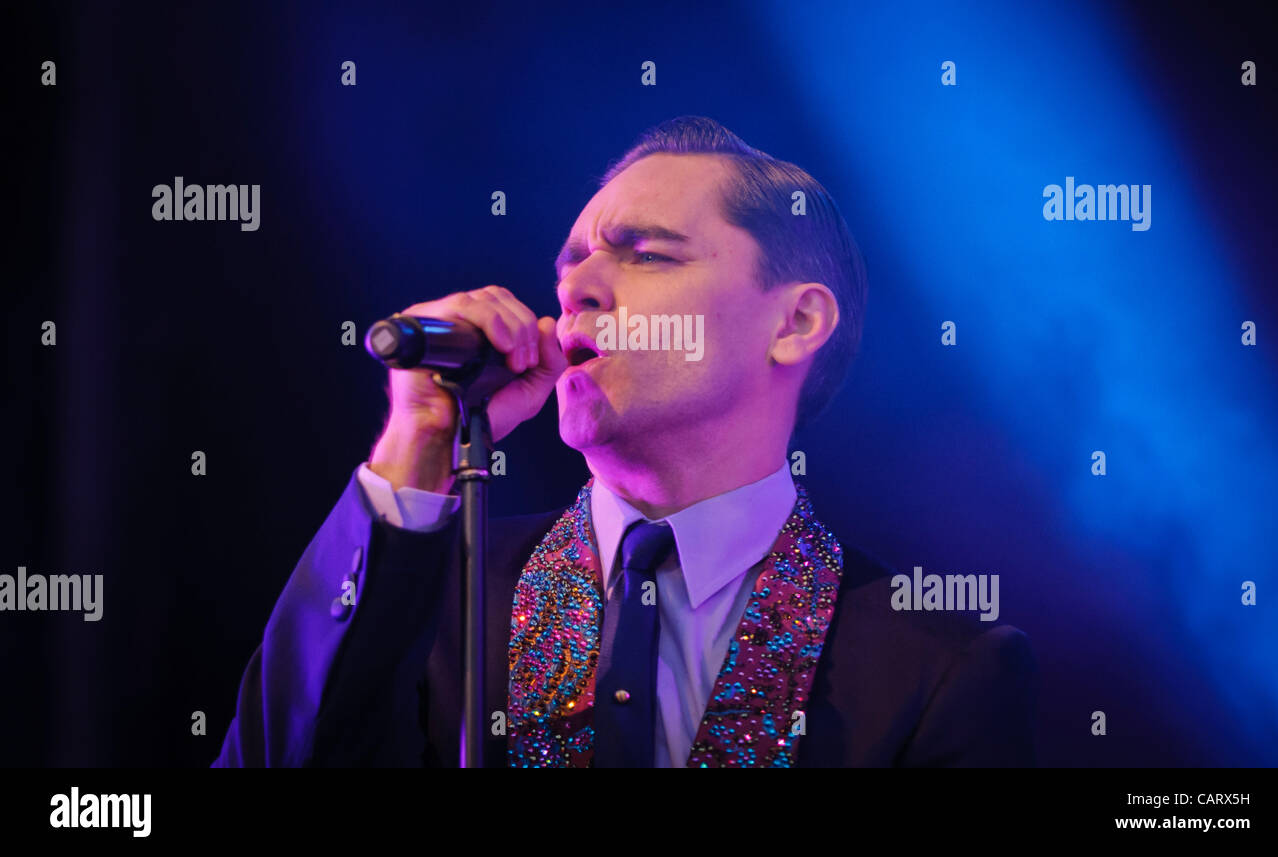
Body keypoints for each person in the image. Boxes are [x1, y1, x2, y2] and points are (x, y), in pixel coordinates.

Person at [213, 115, 1037, 768]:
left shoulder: (936, 665)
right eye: (570, 264)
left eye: (645, 253)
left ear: (794, 322)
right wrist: (419, 437)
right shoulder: (435, 590)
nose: (575, 287)